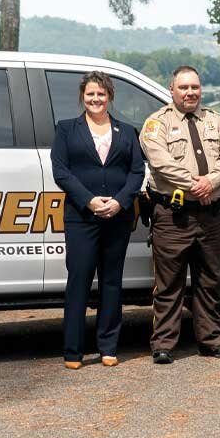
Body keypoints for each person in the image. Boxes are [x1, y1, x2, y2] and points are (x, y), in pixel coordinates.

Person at [139, 65, 220, 364]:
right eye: (183, 87)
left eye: (195, 87)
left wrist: (212, 180)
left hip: (210, 215)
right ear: (172, 90)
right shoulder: (156, 124)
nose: (190, 92)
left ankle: (211, 340)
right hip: (174, 215)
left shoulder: (216, 121)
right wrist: (195, 184)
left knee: (209, 281)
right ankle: (164, 344)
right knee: (168, 284)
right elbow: (160, 162)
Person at [51, 71, 145, 369]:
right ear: (83, 96)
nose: (95, 99)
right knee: (79, 281)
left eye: (101, 94)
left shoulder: (127, 131)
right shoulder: (66, 129)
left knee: (111, 282)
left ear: (110, 97)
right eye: (90, 94)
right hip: (81, 217)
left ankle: (108, 347)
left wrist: (119, 202)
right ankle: (73, 351)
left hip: (118, 216)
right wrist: (89, 200)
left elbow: (136, 172)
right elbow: (61, 171)